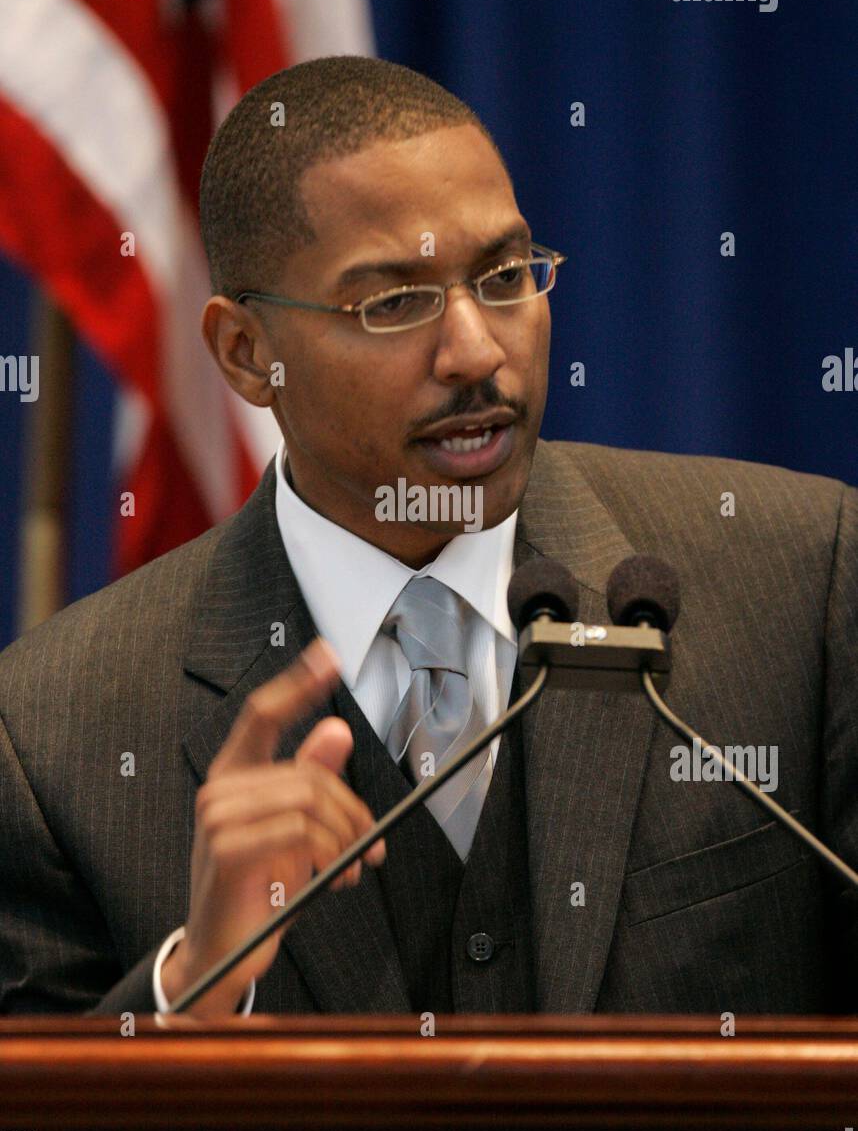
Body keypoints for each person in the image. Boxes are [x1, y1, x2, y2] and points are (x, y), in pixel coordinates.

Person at [0, 56, 855, 1019]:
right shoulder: (51, 735)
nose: (478, 352)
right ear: (246, 354)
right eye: (393, 304)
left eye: (502, 277)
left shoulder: (801, 582)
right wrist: (193, 986)